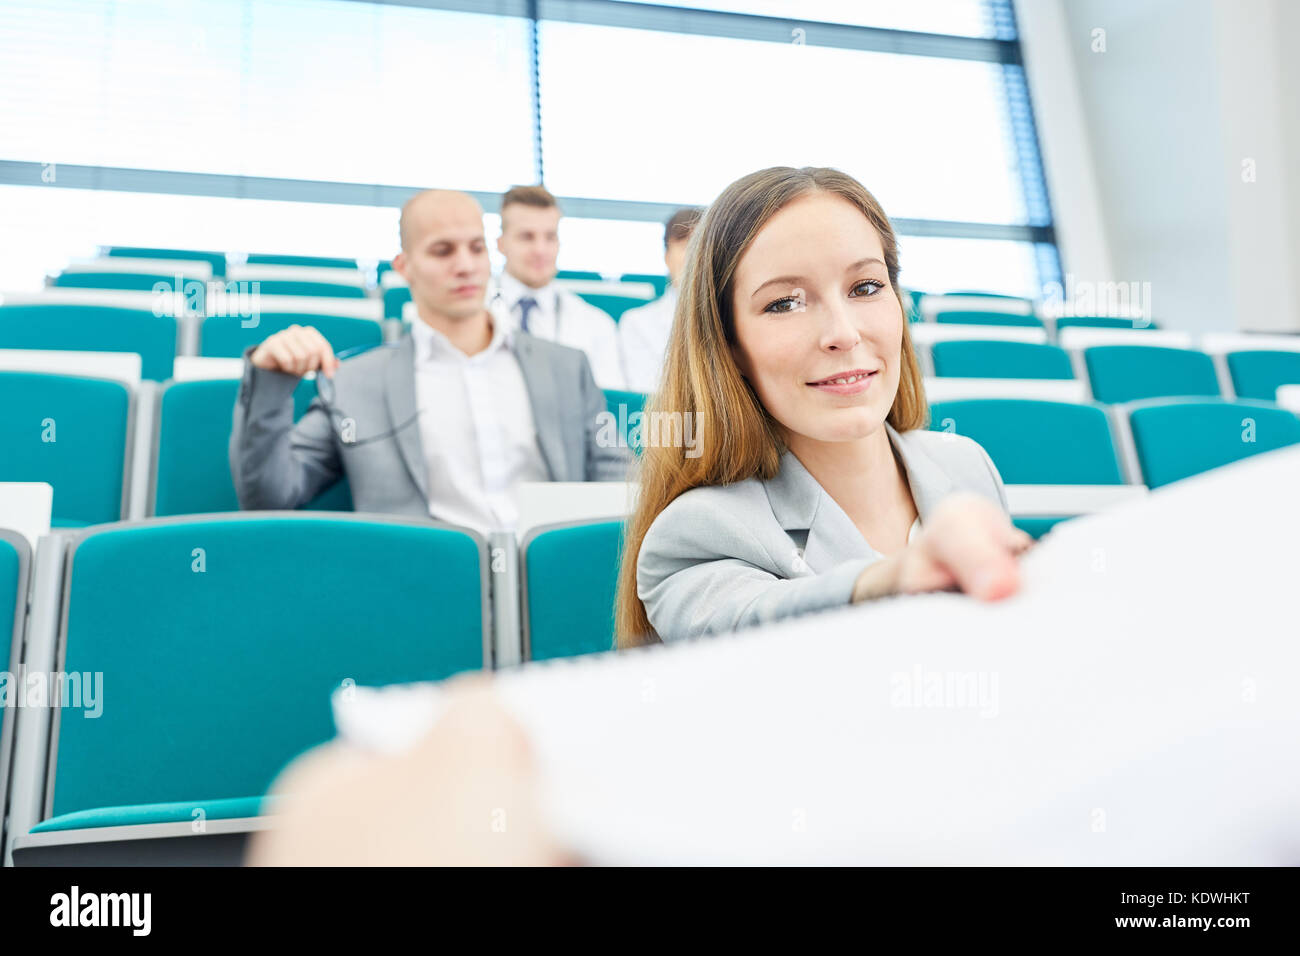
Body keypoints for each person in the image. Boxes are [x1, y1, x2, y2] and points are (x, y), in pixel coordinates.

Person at [616, 167, 1032, 646]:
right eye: (785, 303)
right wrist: (893, 580)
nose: (843, 333)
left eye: (866, 288)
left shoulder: (966, 465)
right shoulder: (697, 533)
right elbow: (762, 629)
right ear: (728, 344)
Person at [229, 189, 630, 534]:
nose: (466, 265)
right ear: (404, 267)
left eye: (476, 248)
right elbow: (271, 496)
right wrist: (270, 381)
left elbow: (622, 490)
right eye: (443, 250)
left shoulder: (565, 367)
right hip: (424, 592)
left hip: (553, 588)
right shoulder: (356, 383)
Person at [488, 185, 626, 389]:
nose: (540, 250)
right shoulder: (472, 310)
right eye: (527, 237)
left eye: (550, 237)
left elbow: (609, 406)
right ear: (501, 244)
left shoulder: (596, 325)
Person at [618, 206, 703, 393]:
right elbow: (646, 393)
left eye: (701, 246)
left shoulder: (732, 318)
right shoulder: (637, 322)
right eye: (685, 246)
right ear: (667, 256)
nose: (693, 256)